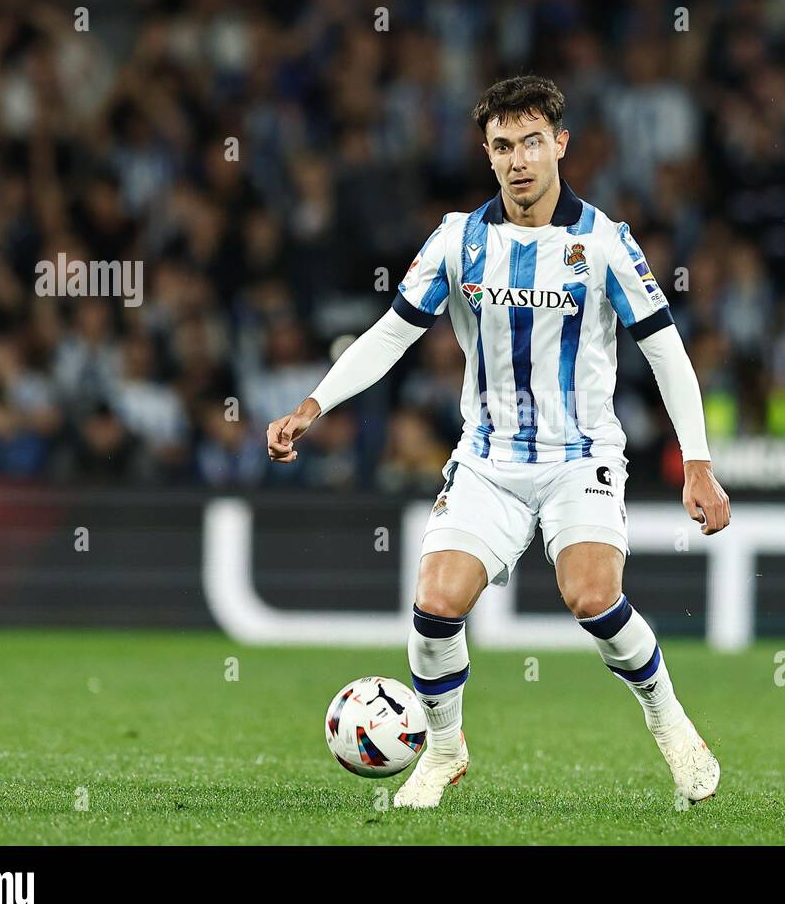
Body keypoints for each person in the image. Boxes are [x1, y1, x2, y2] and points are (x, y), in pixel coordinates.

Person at [266, 76, 730, 809]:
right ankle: (445, 752)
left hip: (582, 456)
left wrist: (698, 463)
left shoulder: (603, 242)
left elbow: (666, 351)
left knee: (591, 594)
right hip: (486, 460)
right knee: (434, 605)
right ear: (488, 154)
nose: (520, 160)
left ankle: (671, 726)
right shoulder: (459, 239)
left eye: (533, 142)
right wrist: (313, 404)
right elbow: (392, 333)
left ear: (560, 145)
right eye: (504, 145)